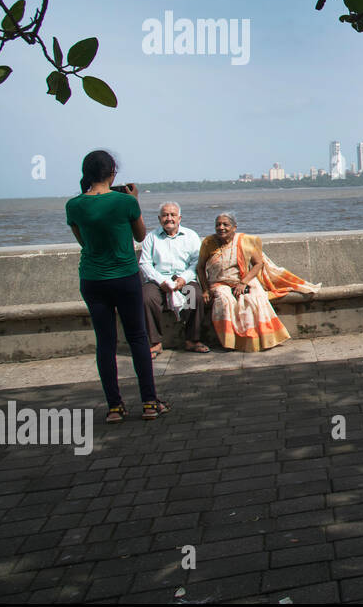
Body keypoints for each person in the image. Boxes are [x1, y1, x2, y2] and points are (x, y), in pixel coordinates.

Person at [64, 150, 170, 423]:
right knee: (137, 338)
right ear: (113, 172)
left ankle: (114, 407)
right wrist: (133, 200)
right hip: (124, 278)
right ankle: (149, 402)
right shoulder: (125, 202)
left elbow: (84, 243)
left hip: (92, 280)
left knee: (105, 343)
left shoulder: (73, 205)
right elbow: (140, 235)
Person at [198, 213, 320, 351]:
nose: (221, 228)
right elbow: (200, 267)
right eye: (218, 225)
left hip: (243, 279)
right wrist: (206, 290)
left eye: (225, 224)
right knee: (225, 301)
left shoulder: (245, 241)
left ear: (234, 227)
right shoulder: (208, 243)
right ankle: (232, 342)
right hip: (219, 282)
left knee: (255, 298)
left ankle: (259, 340)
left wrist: (243, 282)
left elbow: (258, 264)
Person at [140, 202, 208, 355]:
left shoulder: (191, 236)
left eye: (172, 215)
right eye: (165, 215)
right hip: (158, 280)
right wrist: (161, 281)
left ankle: (192, 340)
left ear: (179, 218)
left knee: (195, 296)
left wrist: (184, 279)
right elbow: (145, 263)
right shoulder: (151, 237)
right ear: (159, 218)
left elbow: (196, 262)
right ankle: (155, 342)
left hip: (183, 278)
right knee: (147, 298)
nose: (169, 218)